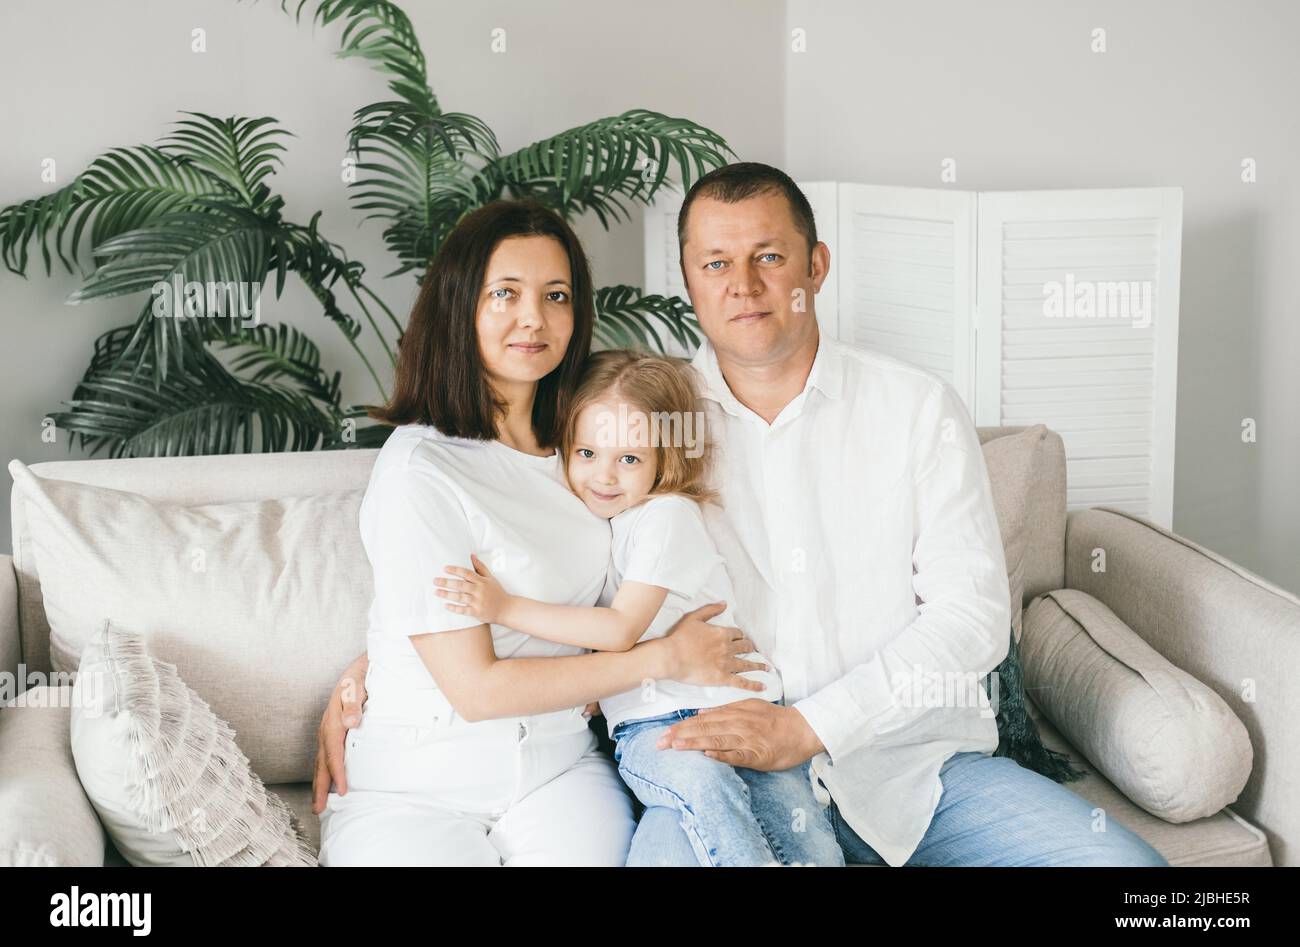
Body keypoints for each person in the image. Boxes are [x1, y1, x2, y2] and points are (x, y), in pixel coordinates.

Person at [317, 162, 1169, 867]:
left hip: (911, 769)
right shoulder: (641, 422)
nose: (745, 286)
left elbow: (973, 620)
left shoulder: (915, 409)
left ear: (816, 267)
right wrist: (375, 665)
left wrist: (808, 727)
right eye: (715, 263)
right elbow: (531, 546)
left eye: (769, 256)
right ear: (687, 280)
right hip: (719, 766)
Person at [315, 199, 764, 866]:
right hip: (419, 782)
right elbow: (476, 688)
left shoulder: (589, 446)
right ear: (460, 307)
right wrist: (664, 659)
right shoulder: (422, 468)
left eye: (556, 295)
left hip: (557, 769)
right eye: (505, 294)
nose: (534, 318)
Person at [435, 348, 844, 866]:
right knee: (707, 792)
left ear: (664, 460)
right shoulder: (601, 522)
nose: (604, 476)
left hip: (729, 711)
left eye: (629, 459)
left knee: (800, 832)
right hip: (661, 723)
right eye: (586, 453)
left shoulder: (665, 517)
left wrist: (503, 607)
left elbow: (620, 630)